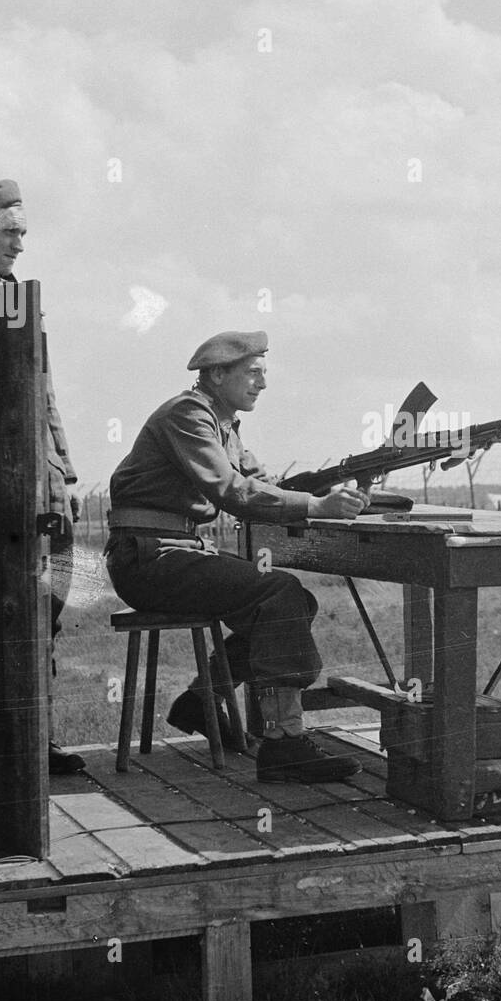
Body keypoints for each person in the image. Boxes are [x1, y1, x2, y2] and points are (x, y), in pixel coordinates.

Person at [103, 331, 367, 784]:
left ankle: (201, 699)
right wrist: (313, 507)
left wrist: (332, 487)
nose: (262, 384)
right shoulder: (187, 414)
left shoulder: (223, 424)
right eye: (253, 372)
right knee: (279, 593)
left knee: (297, 603)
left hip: (173, 552)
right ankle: (284, 744)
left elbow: (264, 480)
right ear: (218, 374)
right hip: (148, 559)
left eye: (264, 373)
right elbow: (231, 490)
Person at [0, 179, 85, 774]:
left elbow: (42, 392)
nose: (20, 244)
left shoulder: (19, 294)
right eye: (10, 233)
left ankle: (35, 739)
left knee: (43, 613)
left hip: (42, 481)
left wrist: (64, 469)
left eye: (24, 233)